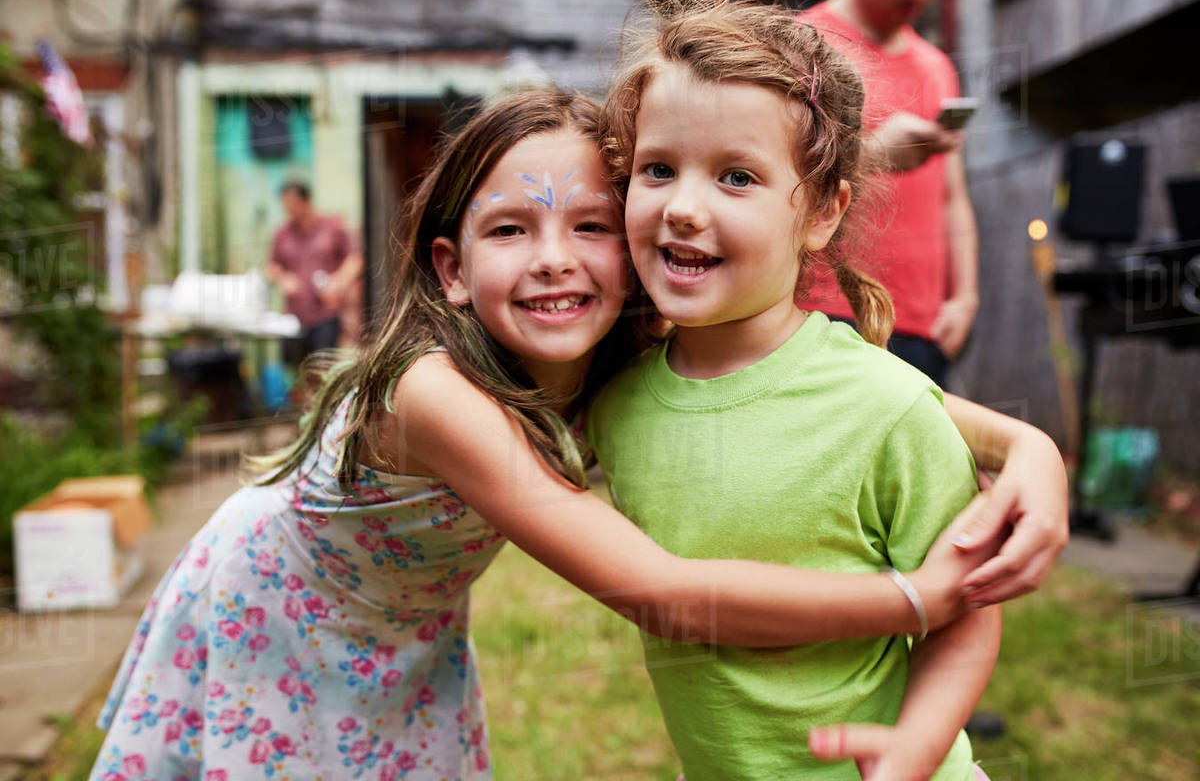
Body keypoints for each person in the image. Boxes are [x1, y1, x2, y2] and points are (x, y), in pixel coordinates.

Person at [91, 89, 1058, 781]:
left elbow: (853, 391)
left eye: (591, 225)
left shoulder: (616, 347)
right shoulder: (432, 393)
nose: (556, 261)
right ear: (453, 267)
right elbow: (661, 592)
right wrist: (911, 598)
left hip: (407, 630)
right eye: (510, 230)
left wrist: (1030, 451)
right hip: (281, 619)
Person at [591, 0, 1003, 779]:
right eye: (658, 169)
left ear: (820, 212)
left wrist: (915, 749)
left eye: (736, 177)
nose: (682, 207)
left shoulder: (887, 407)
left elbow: (967, 607)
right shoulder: (616, 399)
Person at [798, 0, 978, 388]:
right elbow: (777, 176)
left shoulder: (937, 66)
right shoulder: (800, 45)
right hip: (822, 312)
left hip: (922, 326)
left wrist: (965, 297)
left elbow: (952, 196)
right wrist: (875, 154)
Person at [265, 181, 364, 364]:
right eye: (286, 207)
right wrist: (283, 279)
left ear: (306, 202)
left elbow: (354, 260)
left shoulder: (331, 229)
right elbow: (272, 267)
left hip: (325, 314)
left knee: (322, 369)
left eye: (294, 206)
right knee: (293, 371)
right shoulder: (282, 235)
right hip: (294, 316)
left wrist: (339, 282)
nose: (290, 212)